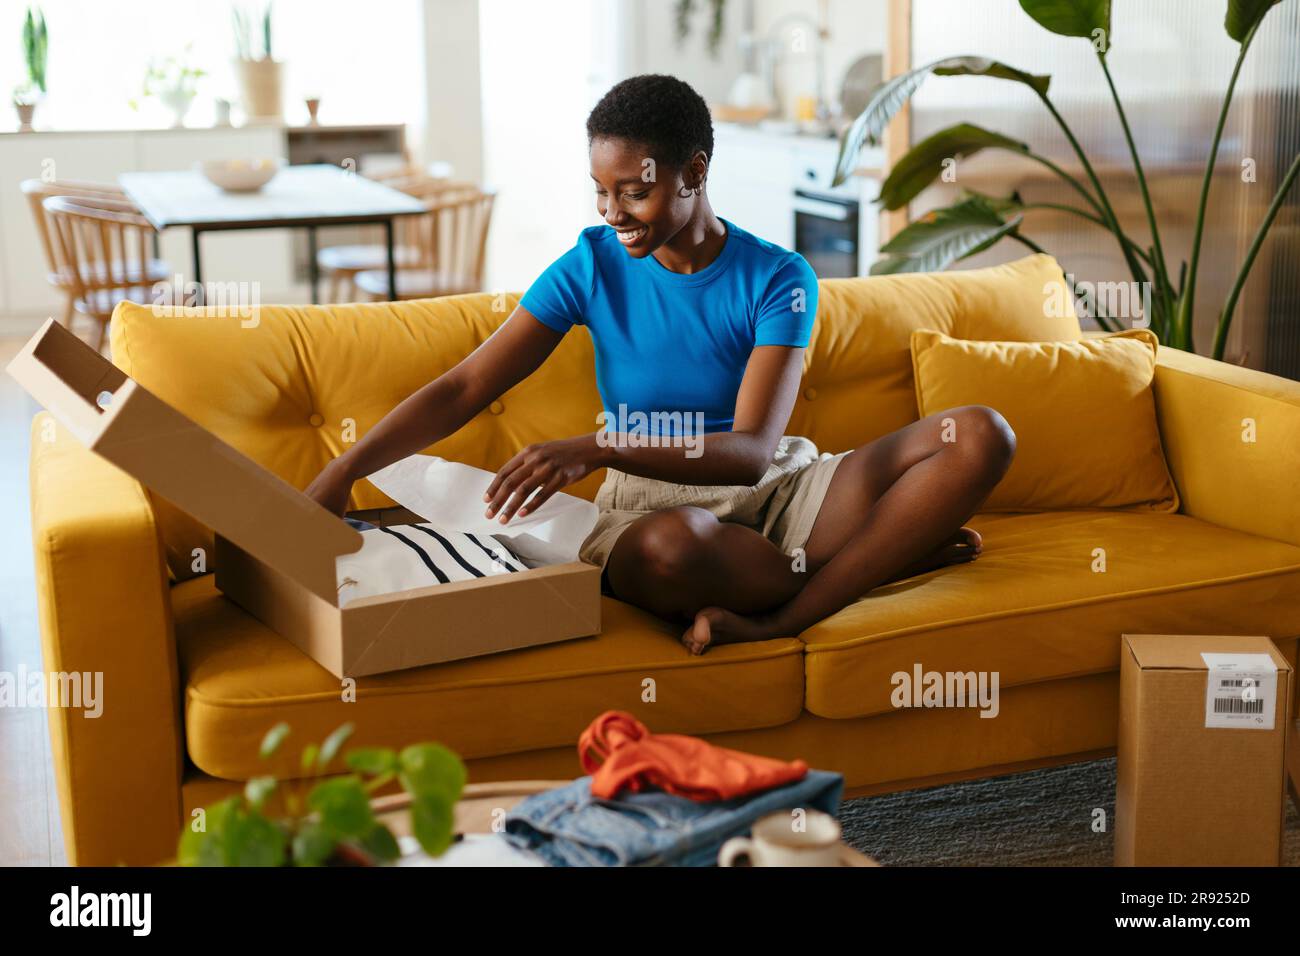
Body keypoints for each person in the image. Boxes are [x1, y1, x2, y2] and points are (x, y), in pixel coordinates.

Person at [306, 74, 1016, 655]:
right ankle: (886, 554)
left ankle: (785, 615)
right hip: (653, 510)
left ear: (693, 173)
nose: (612, 211)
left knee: (981, 433)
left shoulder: (779, 277)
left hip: (779, 491)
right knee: (674, 550)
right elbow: (465, 385)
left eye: (633, 191)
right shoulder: (591, 265)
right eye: (601, 190)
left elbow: (750, 454)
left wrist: (597, 447)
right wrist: (344, 470)